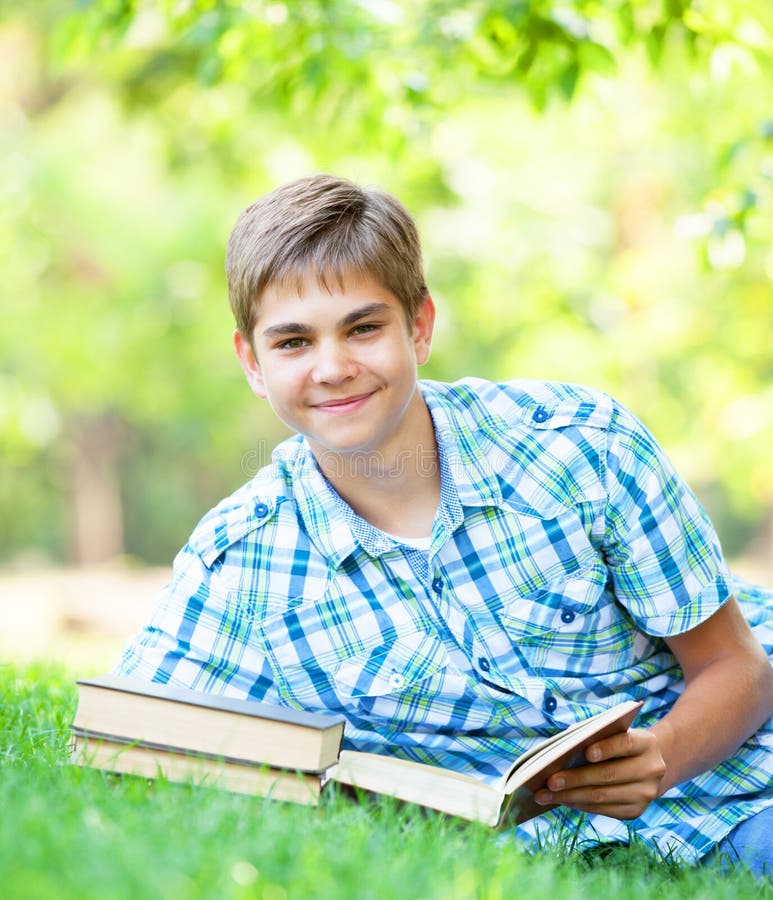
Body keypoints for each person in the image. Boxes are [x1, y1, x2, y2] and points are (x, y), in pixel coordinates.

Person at [115, 174, 773, 874]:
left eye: (363, 328)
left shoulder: (582, 447)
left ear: (419, 327)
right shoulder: (242, 560)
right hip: (543, 862)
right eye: (293, 343)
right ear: (251, 362)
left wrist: (662, 756)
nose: (332, 368)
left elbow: (736, 667)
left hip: (738, 790)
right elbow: (128, 742)